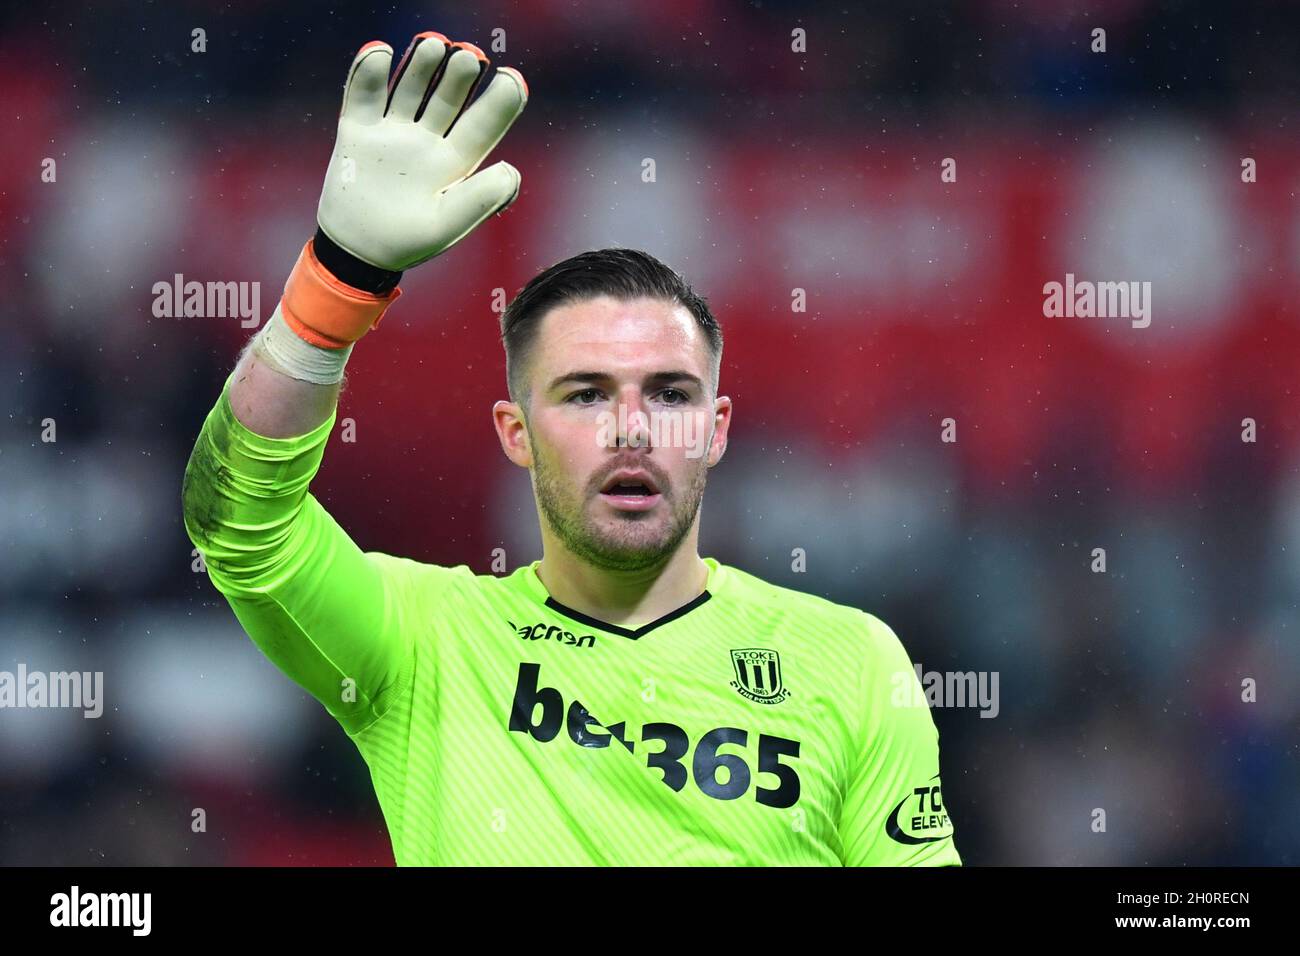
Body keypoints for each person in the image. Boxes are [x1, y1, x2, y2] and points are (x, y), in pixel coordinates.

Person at [181, 30, 961, 866]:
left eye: (669, 394)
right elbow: (237, 520)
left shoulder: (848, 662)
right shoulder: (426, 645)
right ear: (515, 434)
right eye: (586, 395)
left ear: (716, 430)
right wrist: (336, 282)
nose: (632, 428)